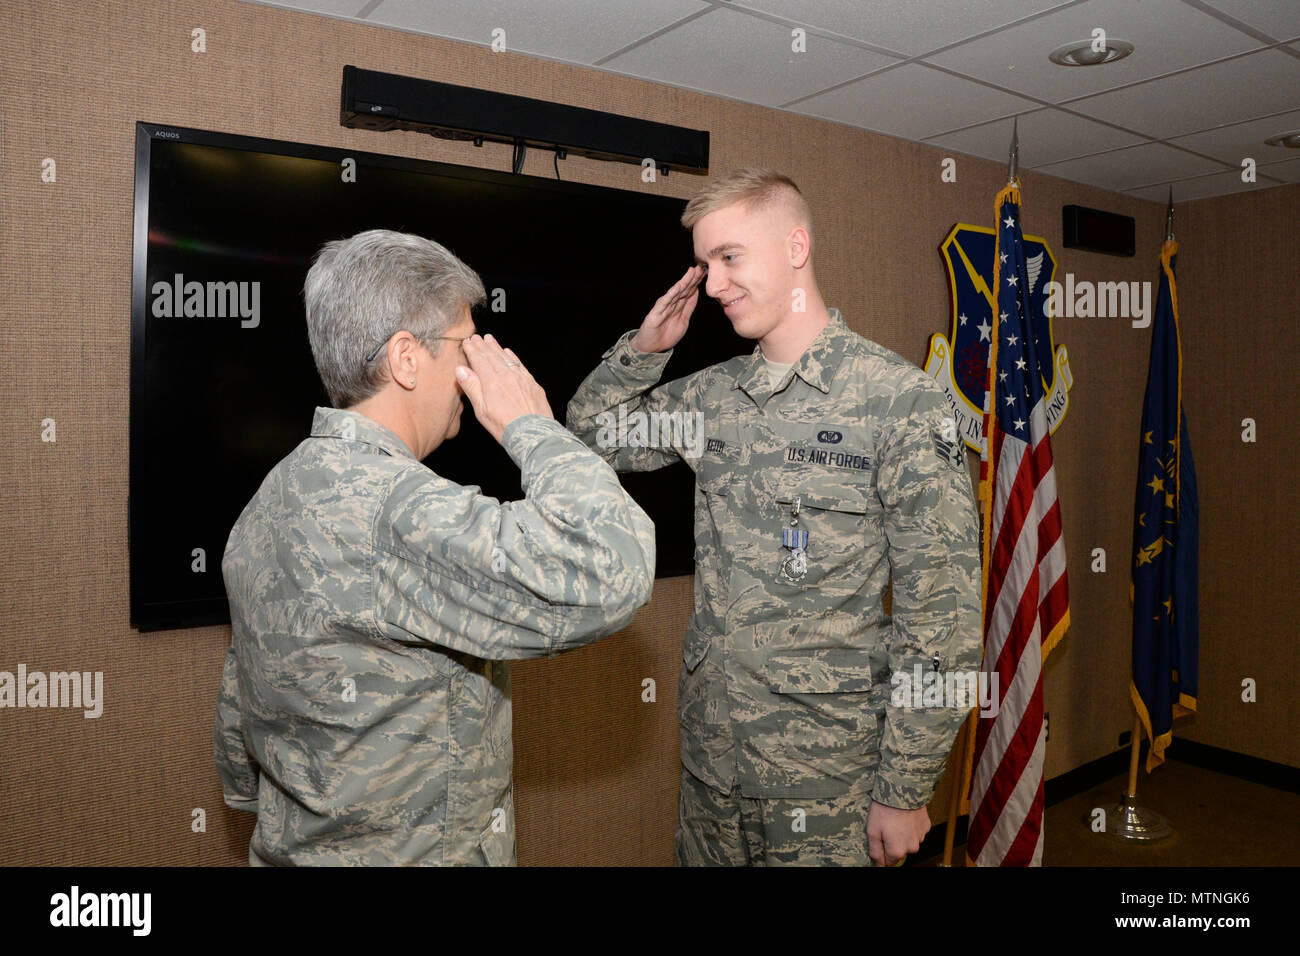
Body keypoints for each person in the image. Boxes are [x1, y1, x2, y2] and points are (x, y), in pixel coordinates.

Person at [566, 169, 981, 866]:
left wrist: (906, 787)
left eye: (729, 258)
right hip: (714, 768)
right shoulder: (717, 397)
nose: (715, 283)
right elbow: (593, 436)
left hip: (828, 781)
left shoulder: (900, 403)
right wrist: (645, 352)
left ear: (796, 247)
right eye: (704, 265)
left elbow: (942, 616)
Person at [215, 228, 655, 866]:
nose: (478, 365)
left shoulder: (272, 496)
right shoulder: (400, 511)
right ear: (405, 358)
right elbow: (614, 569)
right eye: (465, 344)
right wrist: (533, 427)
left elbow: (242, 714)